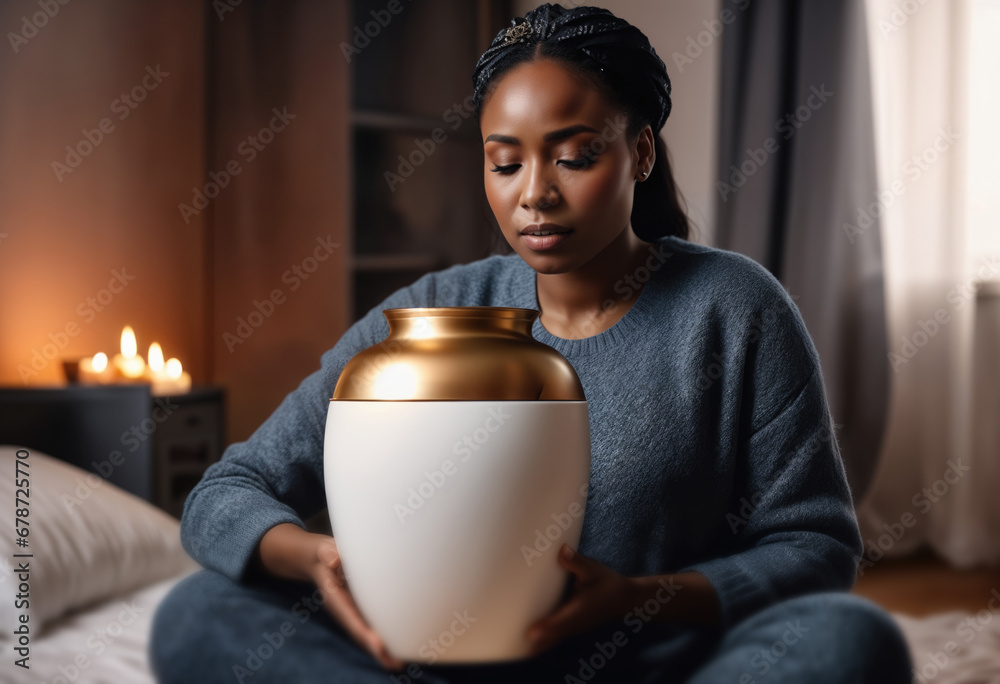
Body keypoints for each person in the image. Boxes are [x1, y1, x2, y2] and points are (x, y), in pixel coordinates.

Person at [150, 4, 914, 682]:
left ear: (640, 154)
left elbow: (815, 545)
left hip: (654, 664)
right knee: (202, 614)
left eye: (574, 156)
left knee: (848, 640)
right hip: (432, 666)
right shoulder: (433, 315)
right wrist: (317, 560)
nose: (534, 194)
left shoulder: (732, 308)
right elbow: (224, 493)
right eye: (504, 162)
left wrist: (638, 600)